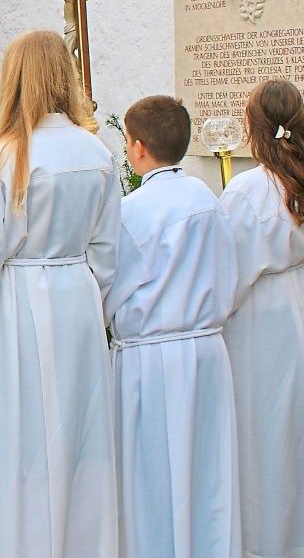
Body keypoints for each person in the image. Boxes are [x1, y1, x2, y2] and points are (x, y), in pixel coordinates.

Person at [0, 30, 121, 557]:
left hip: (17, 299)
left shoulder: (1, 162)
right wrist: (84, 290)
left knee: (20, 430)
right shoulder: (95, 151)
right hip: (76, 296)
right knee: (80, 429)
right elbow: (107, 250)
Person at [104, 95, 240, 558]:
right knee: (206, 469)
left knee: (153, 475)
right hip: (206, 351)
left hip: (151, 355)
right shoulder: (209, 198)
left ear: (138, 148)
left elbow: (111, 286)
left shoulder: (134, 211)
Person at [221, 79, 304, 558]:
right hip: (294, 305)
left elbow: (228, 275)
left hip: (259, 321)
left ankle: (263, 543)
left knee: (263, 440)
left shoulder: (251, 190)